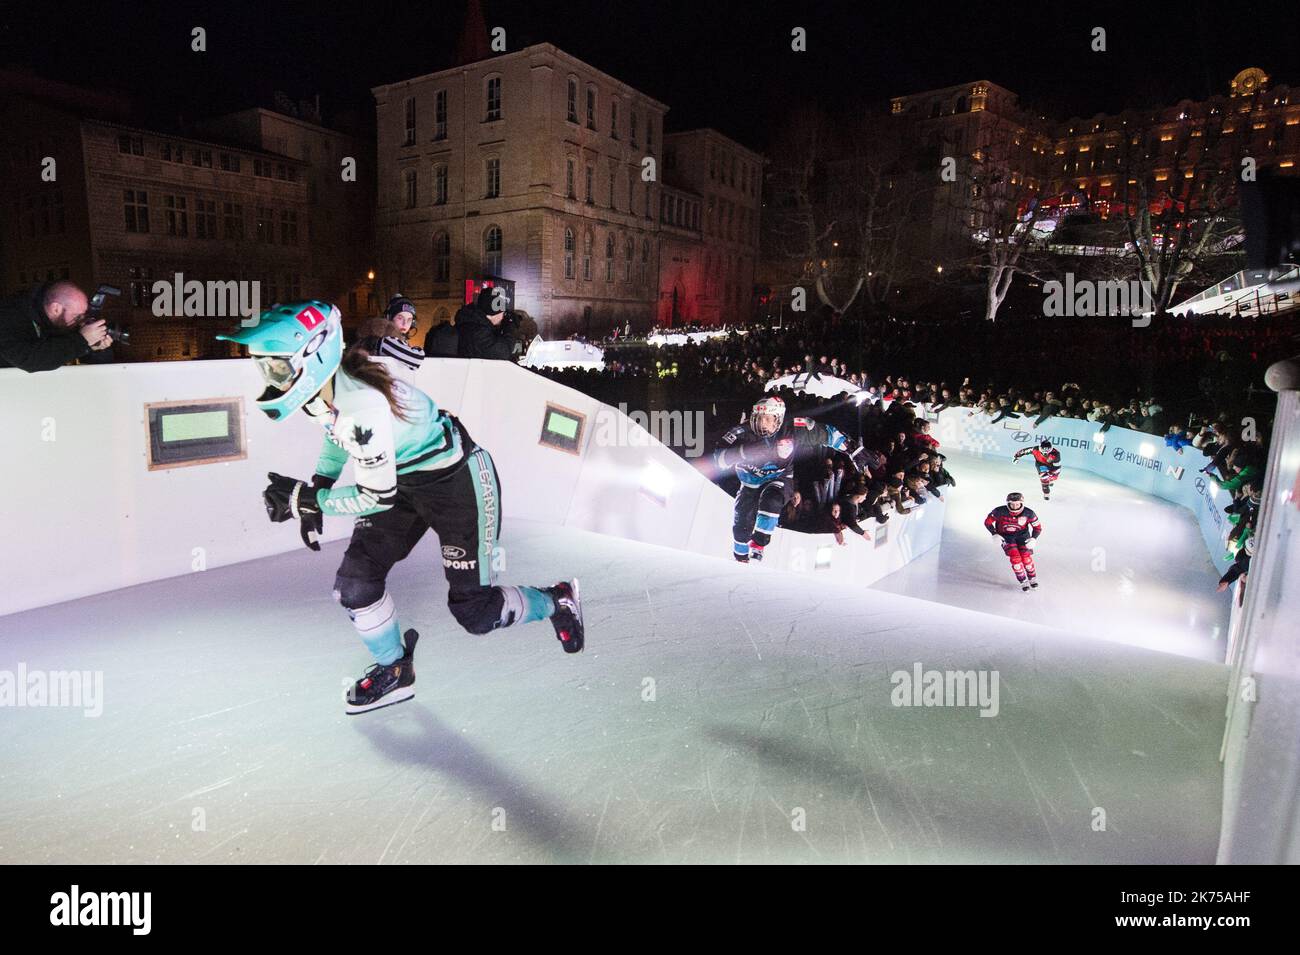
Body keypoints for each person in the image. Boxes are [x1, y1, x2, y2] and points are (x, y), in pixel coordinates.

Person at [217, 301, 585, 715]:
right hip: (406, 480)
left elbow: (375, 495)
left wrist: (307, 500)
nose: (270, 379)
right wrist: (319, 487)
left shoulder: (363, 406)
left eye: (277, 368)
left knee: (475, 613)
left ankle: (558, 599)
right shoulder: (328, 388)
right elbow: (336, 434)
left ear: (313, 357)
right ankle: (396, 670)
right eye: (264, 368)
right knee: (355, 586)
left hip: (458, 484)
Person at [712, 395, 861, 563]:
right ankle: (740, 558)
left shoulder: (792, 428)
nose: (763, 424)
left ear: (778, 420)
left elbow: (825, 433)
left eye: (768, 419)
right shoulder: (741, 432)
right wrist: (743, 452)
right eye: (759, 419)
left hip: (780, 477)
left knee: (772, 501)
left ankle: (759, 544)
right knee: (741, 527)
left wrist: (853, 449)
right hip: (749, 483)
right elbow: (717, 460)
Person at [0, 280, 112, 371]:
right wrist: (82, 340)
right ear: (56, 309)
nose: (80, 321)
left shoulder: (58, 322)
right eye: (77, 316)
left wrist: (94, 348)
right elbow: (29, 359)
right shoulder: (9, 315)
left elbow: (65, 351)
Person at [984, 492, 1042, 591]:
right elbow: (987, 522)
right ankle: (1023, 581)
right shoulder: (999, 511)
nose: (1015, 506)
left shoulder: (1029, 513)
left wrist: (1033, 538)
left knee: (1026, 559)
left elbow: (1037, 527)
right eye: (1012, 504)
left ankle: (1032, 578)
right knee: (1016, 560)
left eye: (1017, 504)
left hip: (1023, 537)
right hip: (1006, 538)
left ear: (1022, 503)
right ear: (1008, 503)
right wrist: (994, 534)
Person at [359, 293, 425, 372]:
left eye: (409, 320)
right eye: (400, 318)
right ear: (389, 318)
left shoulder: (393, 340)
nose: (405, 323)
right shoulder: (384, 341)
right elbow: (416, 359)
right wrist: (417, 350)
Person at [456, 285, 519, 360]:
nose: (503, 316)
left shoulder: (475, 324)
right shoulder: (477, 331)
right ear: (492, 313)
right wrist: (509, 327)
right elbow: (503, 352)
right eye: (502, 312)